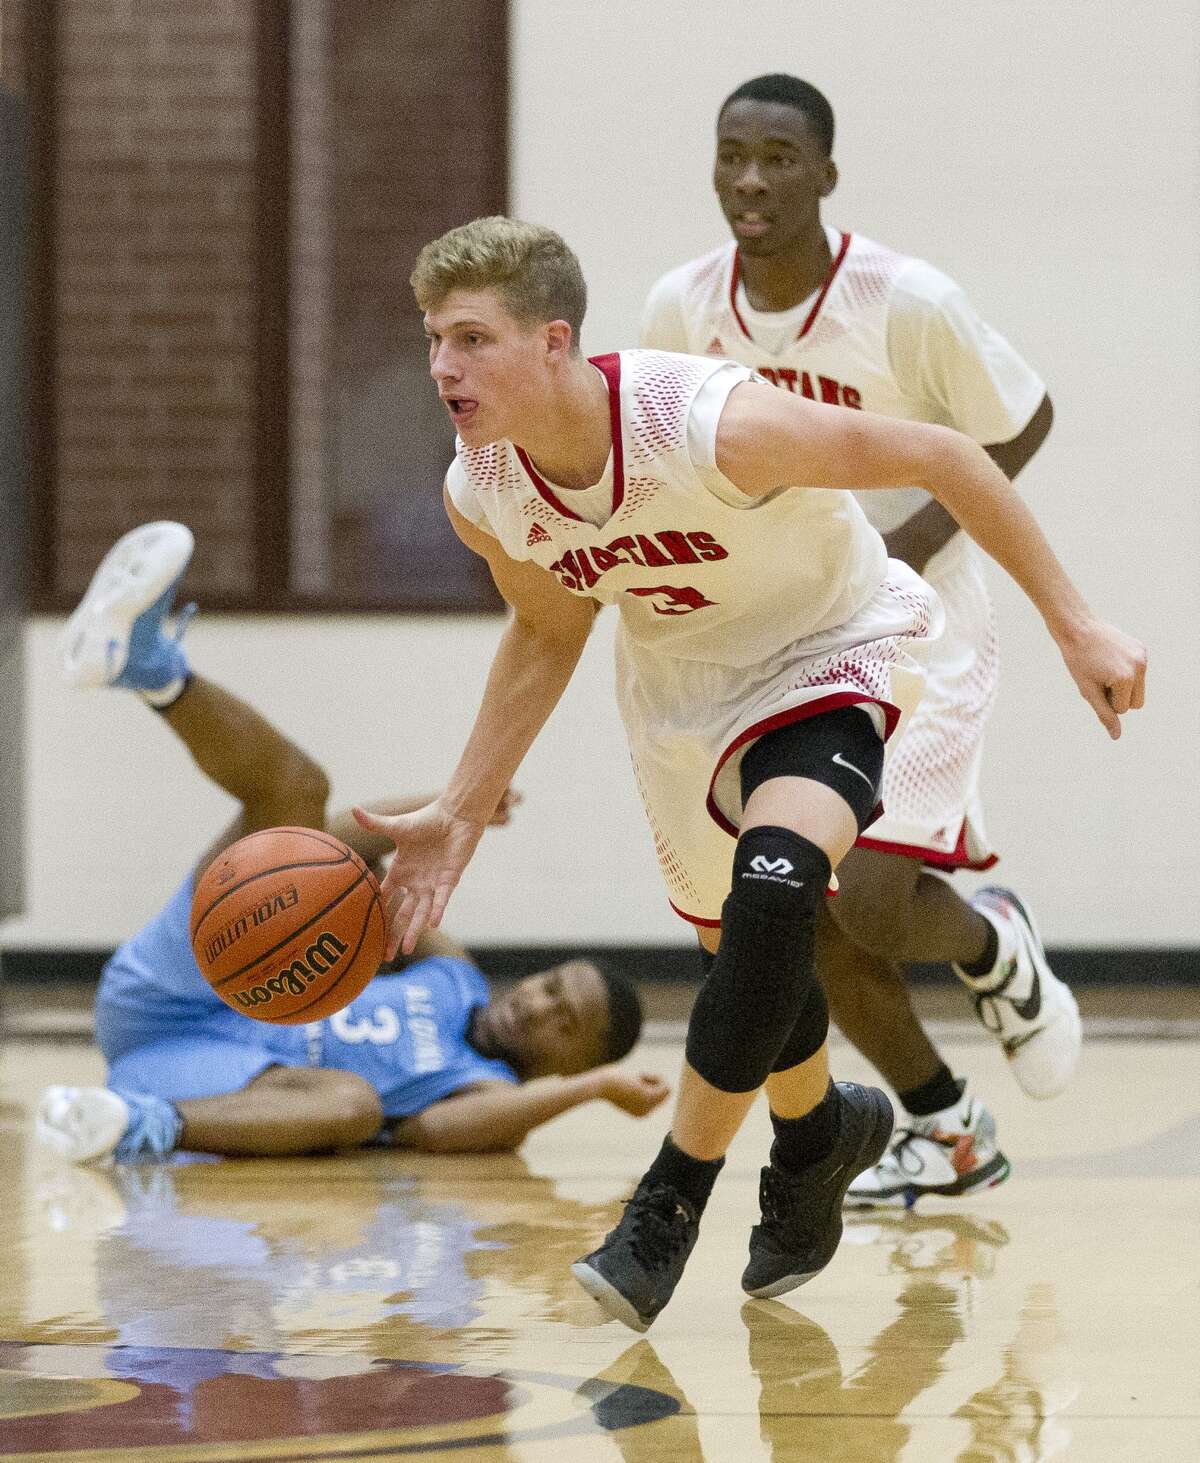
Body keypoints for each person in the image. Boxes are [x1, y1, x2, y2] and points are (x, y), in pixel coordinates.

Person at [355, 215, 1144, 1331]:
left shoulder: (708, 422)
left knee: (776, 889)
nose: (442, 365)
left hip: (834, 647)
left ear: (554, 341)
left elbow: (947, 454)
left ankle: (669, 1200)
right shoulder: (483, 487)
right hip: (684, 701)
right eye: (435, 337)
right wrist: (460, 806)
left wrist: (1078, 626)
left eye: (472, 338)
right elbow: (546, 626)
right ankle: (822, 1132)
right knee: (748, 954)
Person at [640, 72, 1073, 1206]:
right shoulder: (682, 307)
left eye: (779, 157)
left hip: (923, 621)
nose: (751, 178)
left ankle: (987, 939)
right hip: (787, 633)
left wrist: (922, 535)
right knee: (793, 910)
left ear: (826, 173)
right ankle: (947, 1127)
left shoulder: (904, 299)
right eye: (733, 153)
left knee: (875, 899)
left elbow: (1023, 415)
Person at [37, 523, 666, 1166]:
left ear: (574, 1064)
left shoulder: (483, 1087)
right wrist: (442, 809)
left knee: (356, 1108)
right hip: (195, 975)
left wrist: (595, 1090)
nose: (538, 1008)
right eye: (552, 987)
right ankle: (150, 668)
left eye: (566, 1026)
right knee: (299, 799)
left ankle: (130, 1123)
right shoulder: (453, 975)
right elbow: (335, 852)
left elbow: (442, 1134)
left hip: (212, 1077)